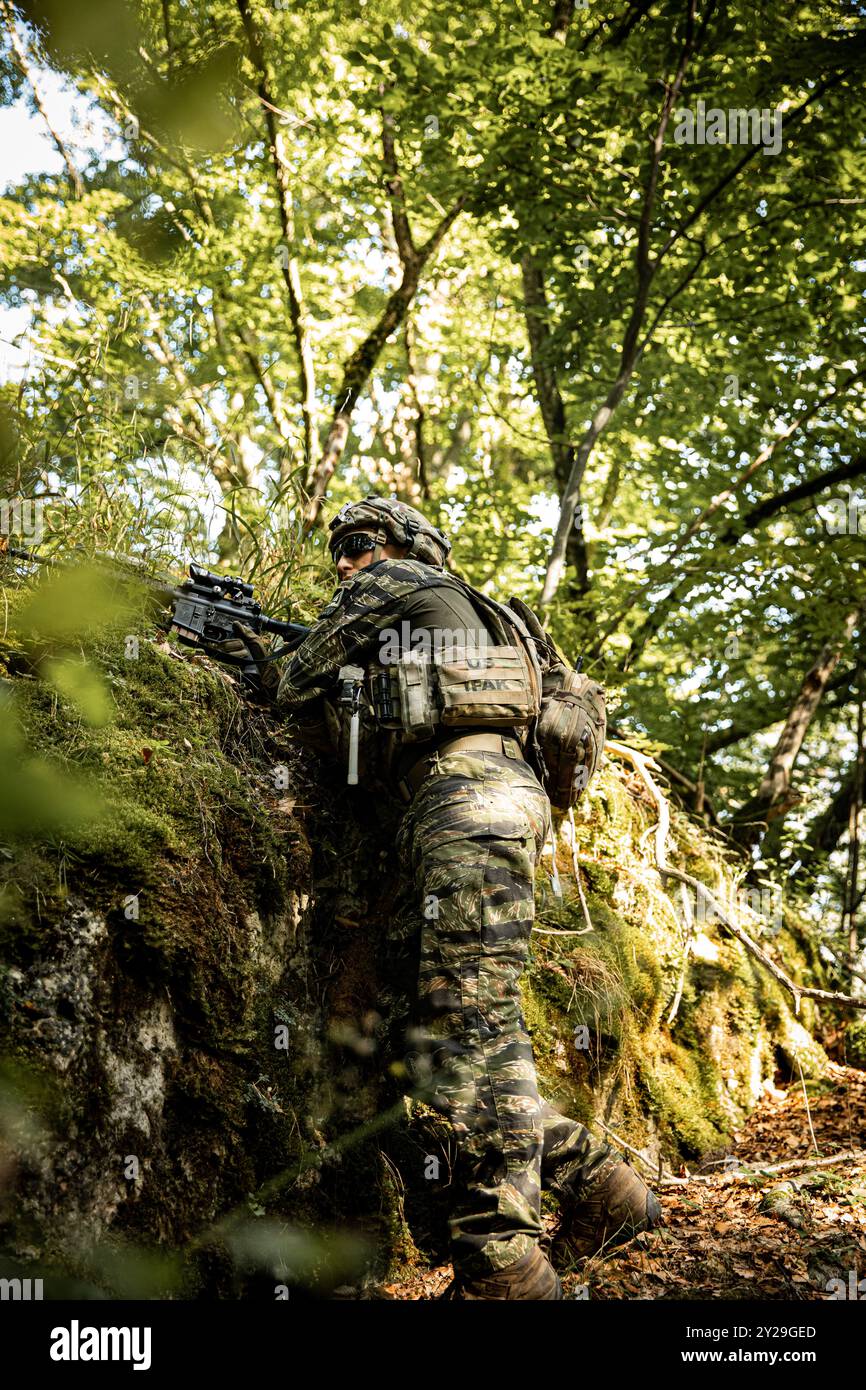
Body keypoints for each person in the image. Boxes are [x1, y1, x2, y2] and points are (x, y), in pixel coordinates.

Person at [240, 495, 660, 1299]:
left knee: (475, 1031)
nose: (343, 562)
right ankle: (607, 1188)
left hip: (465, 808)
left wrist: (248, 648)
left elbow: (293, 680)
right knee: (432, 1042)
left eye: (356, 543)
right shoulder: (493, 615)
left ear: (403, 545)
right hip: (486, 810)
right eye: (339, 550)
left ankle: (504, 1265)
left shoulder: (398, 581)